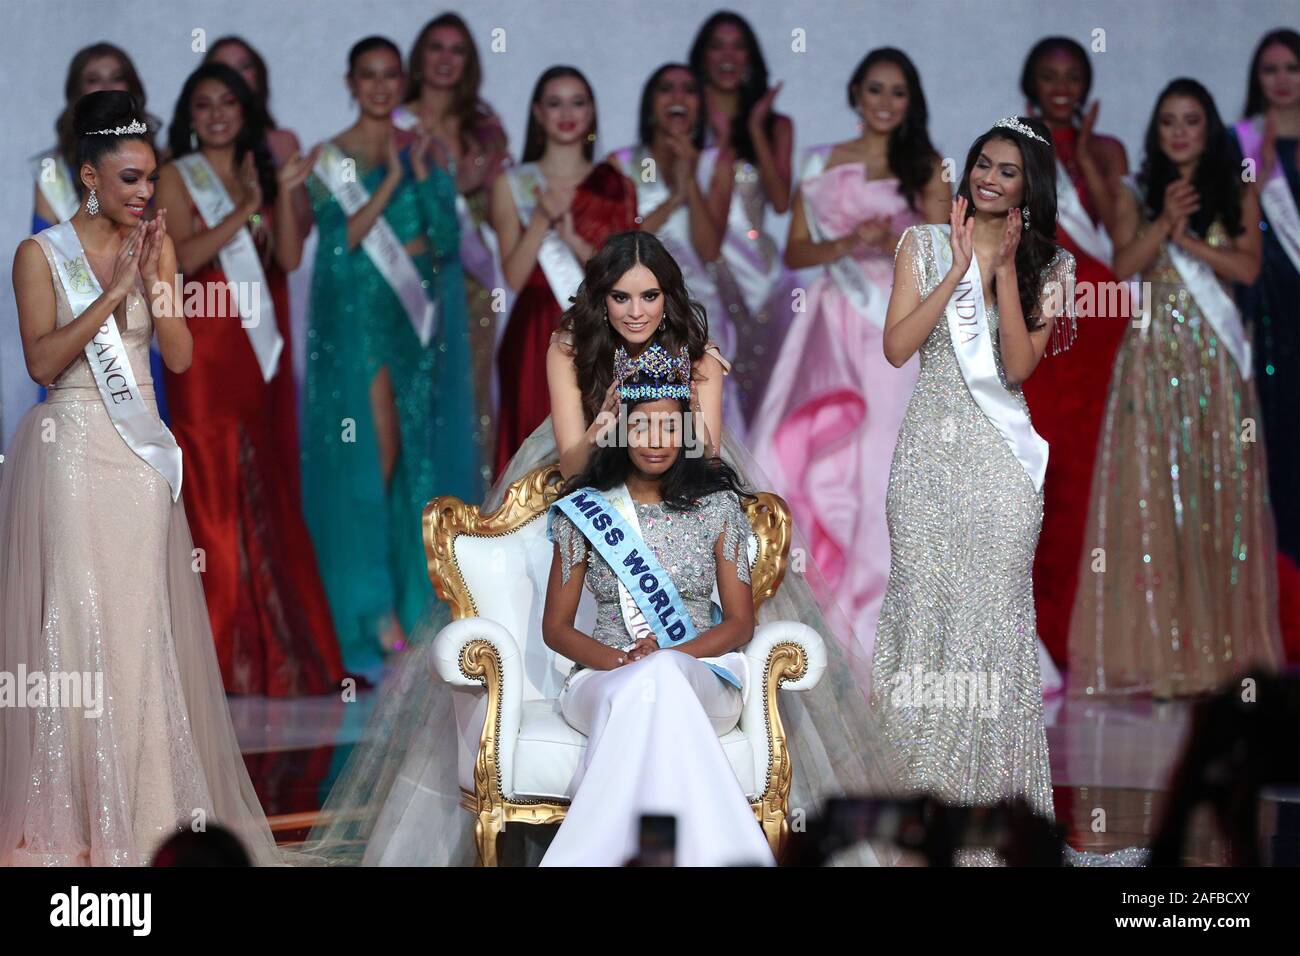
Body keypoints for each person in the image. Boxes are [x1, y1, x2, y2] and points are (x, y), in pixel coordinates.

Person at [299, 231, 905, 867]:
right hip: (594, 476)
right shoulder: (570, 347)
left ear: (669, 298)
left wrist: (676, 408)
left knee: (701, 646)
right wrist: (610, 420)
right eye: (621, 297)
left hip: (686, 504)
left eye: (650, 296)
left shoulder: (698, 357)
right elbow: (572, 461)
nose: (637, 311)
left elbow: (697, 455)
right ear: (602, 298)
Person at [0, 90, 279, 866]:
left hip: (139, 454)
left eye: (150, 178)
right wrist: (112, 295)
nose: (143, 193)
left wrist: (156, 287)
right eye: (127, 179)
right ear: (89, 177)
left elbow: (182, 359)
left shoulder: (156, 246)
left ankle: (150, 808)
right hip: (72, 444)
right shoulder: (40, 255)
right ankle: (79, 812)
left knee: (140, 626)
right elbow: (43, 362)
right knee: (80, 621)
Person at [870, 117, 1077, 863]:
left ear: (1030, 188)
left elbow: (1017, 369)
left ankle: (989, 820)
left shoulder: (1051, 266)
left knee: (991, 626)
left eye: (1008, 170)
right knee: (925, 613)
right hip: (928, 459)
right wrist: (957, 272)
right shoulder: (922, 244)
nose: (989, 177)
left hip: (1001, 470)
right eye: (983, 164)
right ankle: (913, 806)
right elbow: (896, 348)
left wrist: (999, 275)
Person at [1068, 80, 1284, 698]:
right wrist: (1165, 220)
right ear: (1156, 133)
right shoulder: (1139, 193)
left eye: (1191, 120)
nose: (1180, 131)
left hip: (1215, 367)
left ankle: (1219, 663)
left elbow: (1246, 267)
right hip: (1153, 365)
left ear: (1209, 126)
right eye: (1168, 122)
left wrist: (1189, 238)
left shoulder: (1236, 193)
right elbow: (1126, 264)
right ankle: (1165, 659)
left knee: (1218, 502)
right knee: (1157, 503)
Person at [748, 47, 948, 670]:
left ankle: (897, 620)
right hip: (834, 327)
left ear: (910, 102)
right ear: (855, 94)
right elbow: (797, 255)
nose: (885, 103)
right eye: (875, 90)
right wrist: (848, 240)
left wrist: (898, 243)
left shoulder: (930, 170)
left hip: (898, 319)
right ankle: (829, 614)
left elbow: (945, 257)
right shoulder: (819, 163)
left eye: (898, 92)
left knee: (891, 457)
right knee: (837, 453)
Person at [155, 63, 348, 695]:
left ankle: (269, 648)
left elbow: (287, 256)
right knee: (210, 481)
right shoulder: (177, 175)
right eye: (203, 103)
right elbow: (182, 256)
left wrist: (285, 192)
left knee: (260, 483)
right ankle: (214, 645)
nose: (216, 114)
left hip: (255, 348)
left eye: (228, 103)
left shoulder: (261, 172)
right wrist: (242, 207)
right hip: (205, 350)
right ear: (189, 114)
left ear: (247, 111)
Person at [539, 368, 774, 866]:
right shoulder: (584, 509)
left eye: (670, 427)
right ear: (619, 430)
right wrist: (625, 661)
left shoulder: (718, 507)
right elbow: (555, 628)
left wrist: (665, 655)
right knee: (651, 682)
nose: (655, 441)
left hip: (697, 671)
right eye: (641, 426)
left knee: (662, 675)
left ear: (688, 431)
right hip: (604, 675)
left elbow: (739, 623)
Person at [301, 36, 482, 677]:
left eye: (389, 75)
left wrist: (430, 177)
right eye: (368, 74)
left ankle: (415, 607)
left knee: (413, 461)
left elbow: (447, 239)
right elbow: (338, 242)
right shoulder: (331, 156)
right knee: (367, 463)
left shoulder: (421, 147)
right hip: (358, 323)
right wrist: (397, 183)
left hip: (413, 325)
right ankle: (366, 608)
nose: (380, 85)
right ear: (351, 80)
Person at [1017, 37, 1132, 671]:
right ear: (1032, 81)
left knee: (1091, 484)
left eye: (1072, 74)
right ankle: (1034, 633)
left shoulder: (1106, 150)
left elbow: (1120, 236)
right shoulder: (1017, 141)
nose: (1061, 85)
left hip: (1099, 325)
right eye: (1048, 75)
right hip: (1046, 324)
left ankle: (1086, 634)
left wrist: (1085, 158)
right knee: (1040, 479)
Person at [489, 65, 637, 473]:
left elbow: (629, 275)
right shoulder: (512, 184)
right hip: (535, 331)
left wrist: (574, 241)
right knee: (535, 452)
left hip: (600, 329)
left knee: (599, 441)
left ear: (592, 112)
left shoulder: (616, 185)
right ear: (537, 113)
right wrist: (540, 219)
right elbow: (514, 277)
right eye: (555, 103)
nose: (566, 112)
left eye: (578, 102)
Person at [393, 13, 512, 486]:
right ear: (419, 58)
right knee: (413, 397)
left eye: (457, 49)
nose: (445, 59)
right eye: (436, 47)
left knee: (469, 401)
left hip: (471, 288)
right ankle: (413, 521)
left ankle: (468, 522)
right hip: (410, 281)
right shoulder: (394, 125)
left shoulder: (485, 132)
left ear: (470, 62)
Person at [606, 63, 743, 433]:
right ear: (651, 103)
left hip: (700, 303)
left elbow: (709, 248)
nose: (678, 98)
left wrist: (690, 181)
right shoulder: (620, 164)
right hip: (638, 303)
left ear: (700, 105)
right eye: (667, 88)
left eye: (689, 90)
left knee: (703, 409)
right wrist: (674, 198)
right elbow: (619, 248)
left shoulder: (716, 162)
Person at [687, 11, 799, 423]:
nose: (727, 56)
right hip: (699, 268)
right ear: (701, 57)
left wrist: (753, 128)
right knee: (709, 382)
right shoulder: (686, 123)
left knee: (764, 388)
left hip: (758, 275)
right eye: (717, 45)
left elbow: (781, 201)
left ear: (751, 56)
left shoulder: (776, 125)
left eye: (738, 46)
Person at [1232, 28, 1300, 658]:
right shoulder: (1243, 143)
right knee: (1277, 463)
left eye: (1292, 68)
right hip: (1273, 323)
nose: (1281, 79)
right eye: (1270, 68)